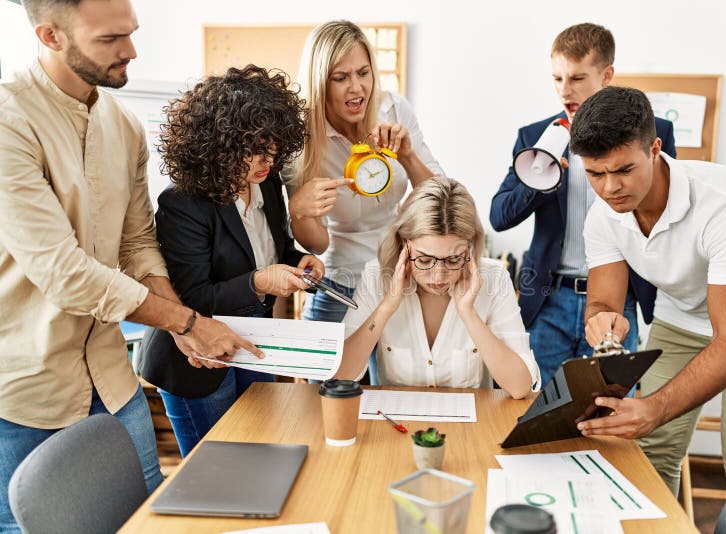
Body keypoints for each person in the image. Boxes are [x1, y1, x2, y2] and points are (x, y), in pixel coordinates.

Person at [0, 0, 261, 531]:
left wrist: (181, 325)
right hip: (26, 392)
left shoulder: (123, 125)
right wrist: (186, 322)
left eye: (132, 33)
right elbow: (65, 274)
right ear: (50, 36)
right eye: (110, 40)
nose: (131, 51)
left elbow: (138, 242)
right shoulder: (10, 123)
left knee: (148, 522)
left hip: (114, 385)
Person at [572, 86, 726, 494]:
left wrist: (656, 407)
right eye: (595, 174)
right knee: (651, 449)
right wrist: (600, 321)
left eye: (624, 170)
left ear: (655, 148)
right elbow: (604, 301)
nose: (609, 189)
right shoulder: (603, 216)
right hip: (680, 317)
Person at [136, 65, 323, 457]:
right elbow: (188, 300)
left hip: (254, 342)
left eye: (272, 146)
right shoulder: (183, 203)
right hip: (197, 361)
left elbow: (275, 248)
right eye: (253, 149)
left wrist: (300, 259)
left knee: (262, 450)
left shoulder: (267, 183)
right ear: (218, 145)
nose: (266, 159)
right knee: (218, 466)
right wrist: (257, 283)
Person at [489, 23, 676, 387]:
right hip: (548, 299)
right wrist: (540, 181)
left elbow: (663, 211)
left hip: (619, 299)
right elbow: (499, 217)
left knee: (610, 410)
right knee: (532, 406)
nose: (564, 90)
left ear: (606, 75)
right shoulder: (535, 136)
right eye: (557, 78)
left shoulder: (655, 132)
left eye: (576, 78)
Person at [284, 20, 444, 383]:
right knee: (321, 396)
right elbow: (317, 243)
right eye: (340, 77)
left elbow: (440, 201)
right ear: (319, 81)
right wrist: (300, 211)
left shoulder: (394, 110)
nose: (356, 89)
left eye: (363, 73)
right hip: (339, 283)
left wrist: (407, 156)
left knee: (403, 399)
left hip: (400, 279)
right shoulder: (302, 139)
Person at [337, 177, 540, 399]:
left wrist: (469, 314)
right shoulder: (377, 276)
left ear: (470, 248)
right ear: (404, 244)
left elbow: (520, 387)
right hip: (397, 425)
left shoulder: (494, 279)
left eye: (453, 260)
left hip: (472, 428)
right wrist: (386, 307)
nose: (439, 275)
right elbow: (341, 375)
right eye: (424, 260)